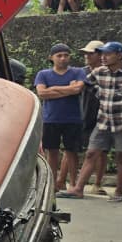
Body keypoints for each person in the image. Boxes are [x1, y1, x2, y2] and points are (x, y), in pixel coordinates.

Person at [61, 41, 122, 202]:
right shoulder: (100, 72)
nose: (103, 57)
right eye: (102, 54)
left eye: (108, 54)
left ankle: (119, 191)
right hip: (103, 120)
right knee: (91, 153)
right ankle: (78, 189)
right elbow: (87, 83)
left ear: (119, 55)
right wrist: (100, 94)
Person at [34, 43, 86, 190]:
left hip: (73, 118)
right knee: (52, 152)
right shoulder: (43, 74)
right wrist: (68, 89)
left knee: (72, 152)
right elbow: (42, 93)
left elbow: (77, 89)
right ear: (51, 58)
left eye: (66, 55)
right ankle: (52, 183)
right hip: (51, 118)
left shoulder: (78, 72)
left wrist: (54, 89)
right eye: (59, 55)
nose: (63, 58)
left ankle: (74, 184)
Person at [79, 40, 108, 194]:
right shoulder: (81, 72)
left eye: (91, 53)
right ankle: (67, 182)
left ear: (100, 54)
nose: (87, 56)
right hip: (83, 114)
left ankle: (98, 184)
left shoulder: (108, 72)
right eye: (86, 53)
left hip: (103, 115)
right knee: (76, 148)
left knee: (102, 151)